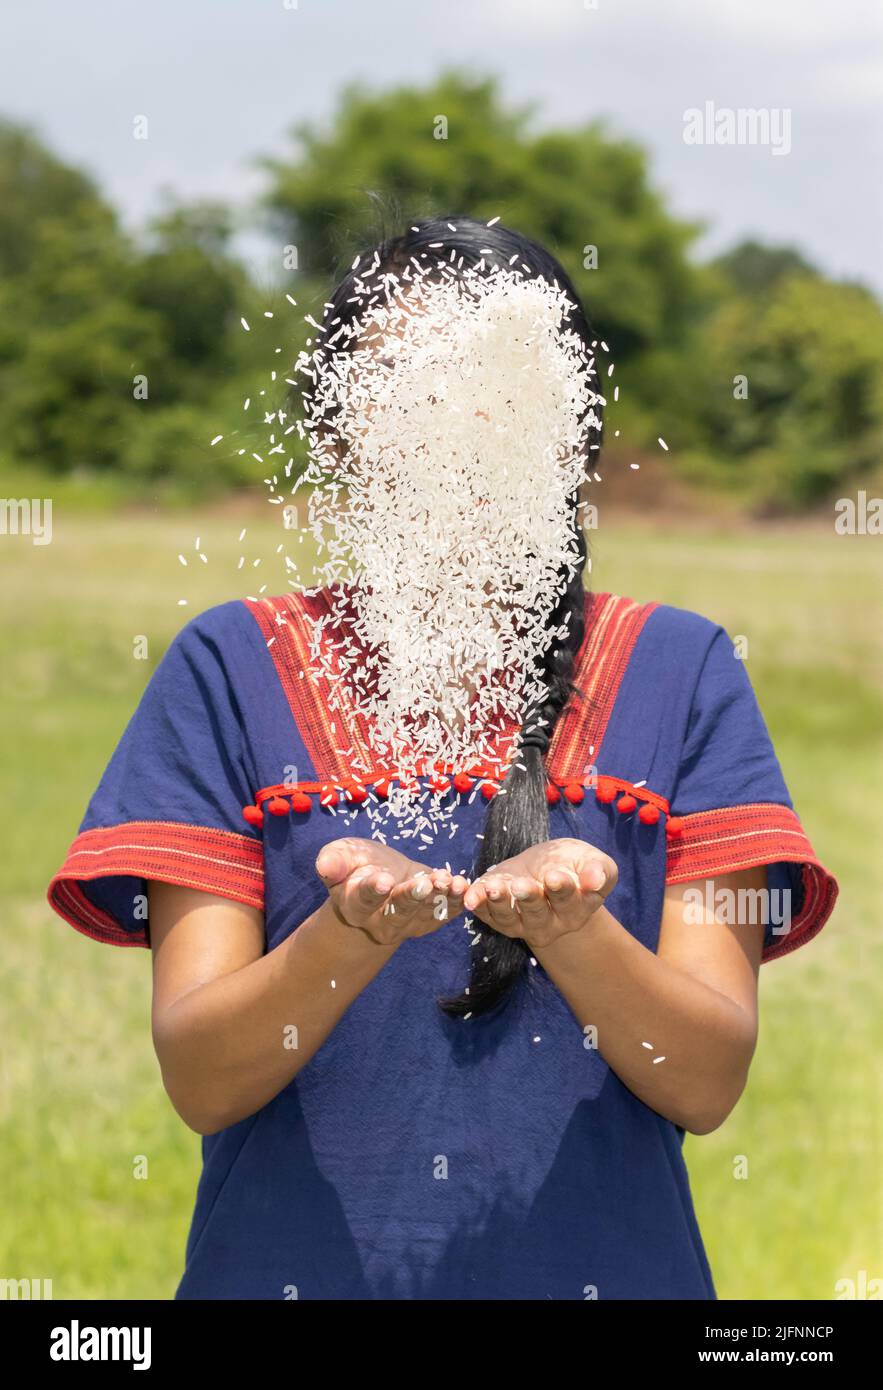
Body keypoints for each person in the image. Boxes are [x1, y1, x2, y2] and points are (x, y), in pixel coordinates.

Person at [47, 216, 838, 1301]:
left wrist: (576, 933)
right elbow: (203, 1077)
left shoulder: (677, 667)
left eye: (493, 398)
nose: (449, 435)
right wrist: (345, 935)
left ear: (567, 438)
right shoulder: (234, 663)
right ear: (331, 432)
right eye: (405, 393)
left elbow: (704, 1080)